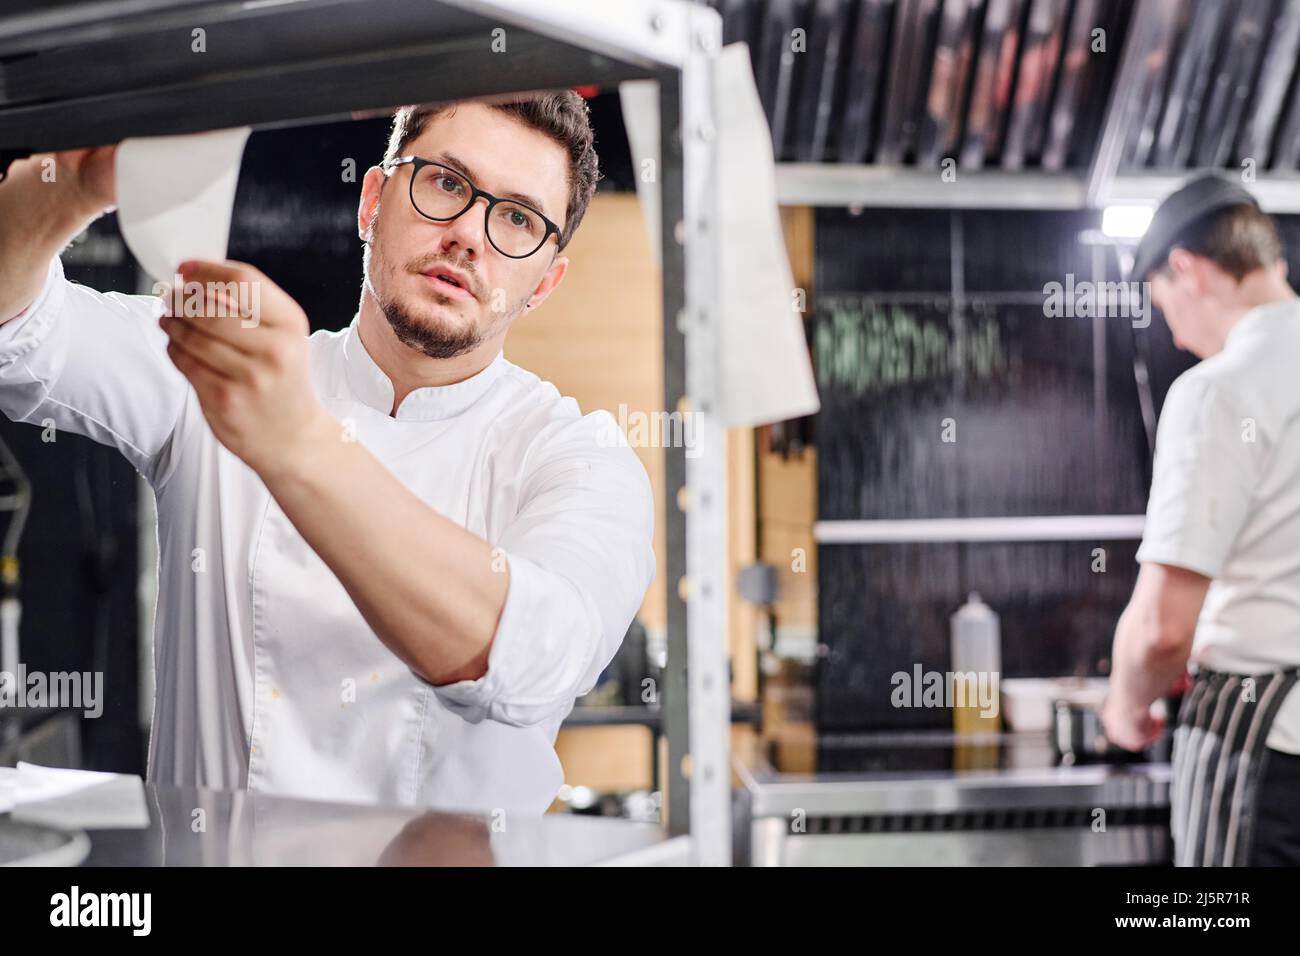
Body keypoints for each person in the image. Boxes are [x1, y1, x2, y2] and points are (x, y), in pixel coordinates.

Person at [0, 92, 655, 815]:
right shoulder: (227, 368)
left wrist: (296, 441)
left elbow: (525, 658)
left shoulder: (580, 460)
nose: (470, 233)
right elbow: (19, 336)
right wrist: (66, 189)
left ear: (545, 283)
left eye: (518, 219)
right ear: (373, 200)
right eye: (444, 182)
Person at [1102, 174, 1300, 865]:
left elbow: (1162, 629)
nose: (1178, 340)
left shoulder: (1219, 390)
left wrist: (1127, 706)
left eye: (1164, 306)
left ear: (1186, 269)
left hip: (1266, 749)